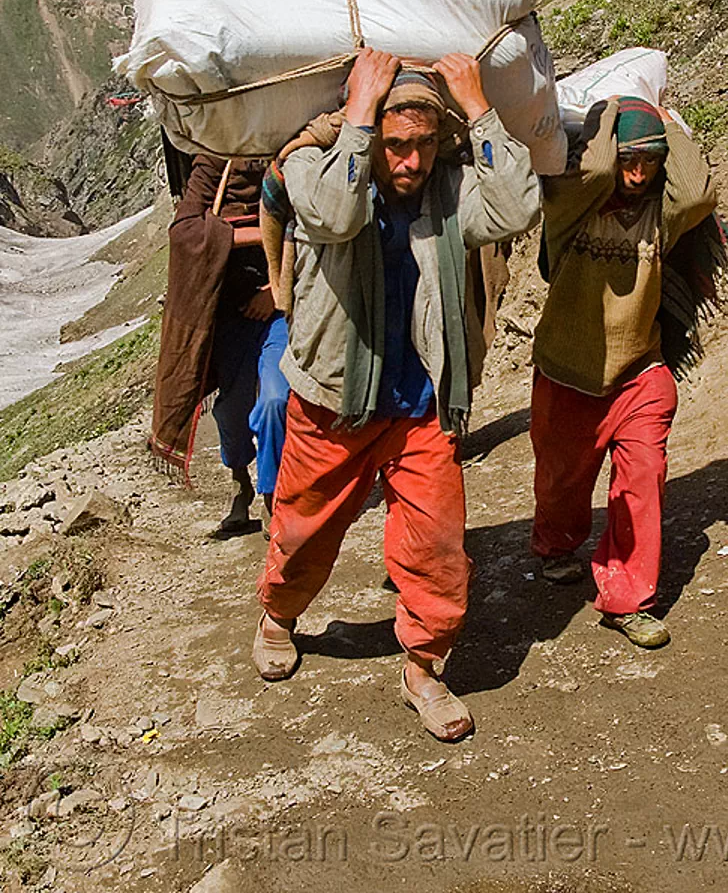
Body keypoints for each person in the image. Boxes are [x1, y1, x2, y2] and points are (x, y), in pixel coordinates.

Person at [251, 48, 540, 743]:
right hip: (332, 401)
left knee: (437, 547)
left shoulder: (448, 188)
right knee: (302, 531)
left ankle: (423, 666)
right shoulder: (311, 165)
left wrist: (476, 107)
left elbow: (518, 206)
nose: (409, 163)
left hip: (421, 406)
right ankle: (279, 614)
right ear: (370, 136)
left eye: (422, 146)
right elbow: (331, 216)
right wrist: (358, 113)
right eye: (395, 147)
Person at [529, 96, 718, 649]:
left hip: (640, 372)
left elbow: (700, 192)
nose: (637, 174)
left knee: (643, 480)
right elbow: (593, 169)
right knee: (563, 480)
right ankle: (557, 544)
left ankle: (629, 596)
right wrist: (610, 109)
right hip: (568, 370)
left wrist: (668, 120)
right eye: (629, 161)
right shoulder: (570, 210)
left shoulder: (663, 216)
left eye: (651, 162)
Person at [150, 156, 289, 535]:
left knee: (276, 399)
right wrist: (264, 231)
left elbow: (314, 228)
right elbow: (185, 233)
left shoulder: (286, 160)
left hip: (278, 312)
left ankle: (273, 495)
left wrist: (276, 291)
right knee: (231, 409)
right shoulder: (212, 167)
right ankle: (239, 482)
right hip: (228, 316)